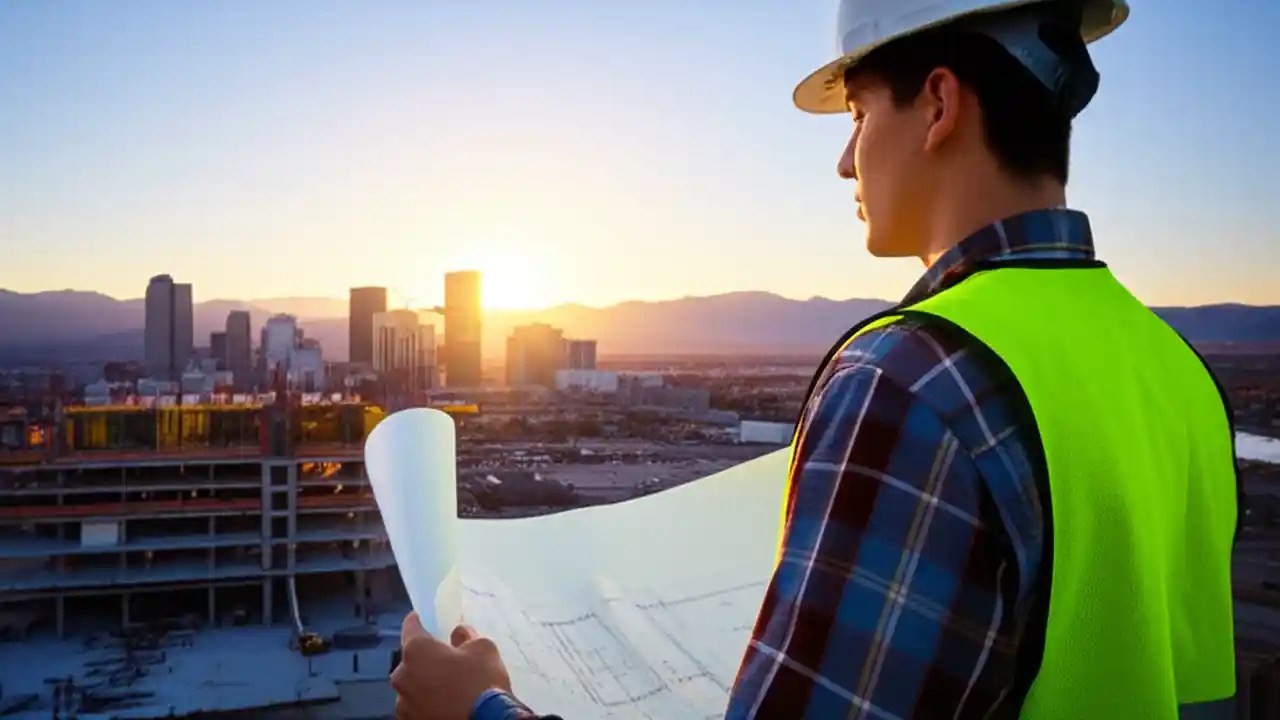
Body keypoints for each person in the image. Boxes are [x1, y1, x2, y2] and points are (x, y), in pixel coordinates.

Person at [391, 0, 1242, 717]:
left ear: (940, 105)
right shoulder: (1174, 368)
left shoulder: (910, 377)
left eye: (859, 116)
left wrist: (477, 708)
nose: (844, 161)